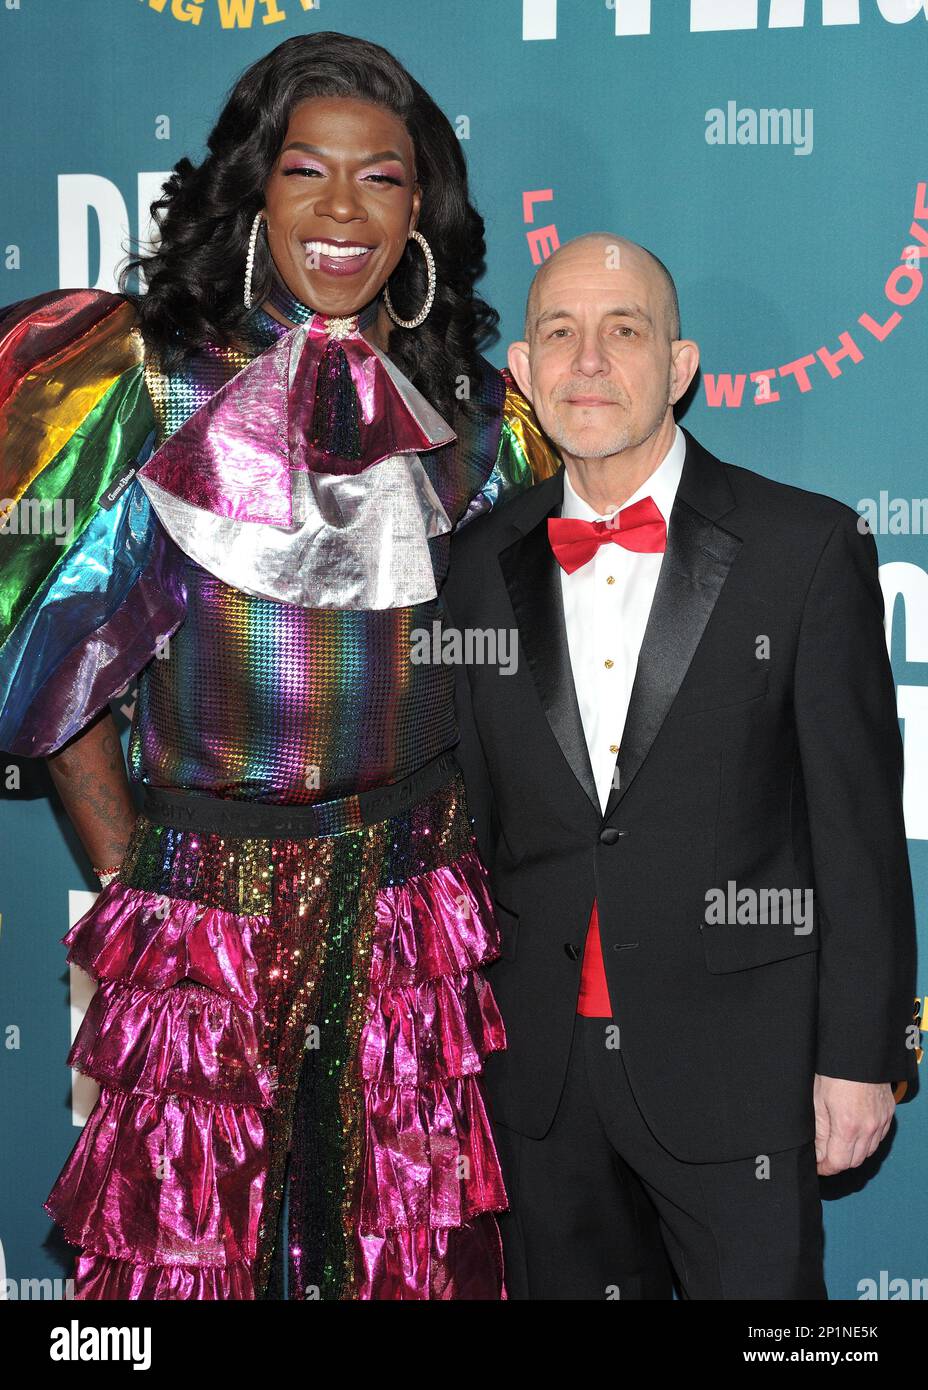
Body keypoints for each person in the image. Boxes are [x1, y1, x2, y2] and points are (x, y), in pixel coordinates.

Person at [0, 32, 563, 1300]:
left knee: (409, 1251)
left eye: (382, 177)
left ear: (420, 211)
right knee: (186, 1250)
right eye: (308, 170)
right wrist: (136, 872)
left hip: (413, 895)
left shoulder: (479, 416)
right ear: (256, 189)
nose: (343, 211)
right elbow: (59, 659)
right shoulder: (146, 380)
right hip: (200, 890)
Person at [443, 231, 918, 1300]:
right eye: (558, 333)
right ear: (521, 373)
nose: (588, 361)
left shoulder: (804, 549)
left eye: (624, 330)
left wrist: (860, 1057)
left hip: (741, 1075)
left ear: (680, 366)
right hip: (538, 1081)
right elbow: (468, 828)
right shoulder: (472, 570)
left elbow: (856, 836)